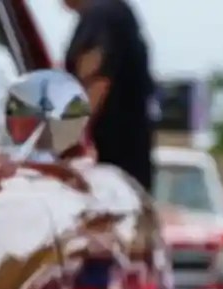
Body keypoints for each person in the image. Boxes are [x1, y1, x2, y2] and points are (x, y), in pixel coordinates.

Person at [61, 0, 156, 193]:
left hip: (108, 174)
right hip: (126, 171)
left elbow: (96, 82)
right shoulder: (114, 13)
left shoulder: (101, 15)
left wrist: (64, 141)